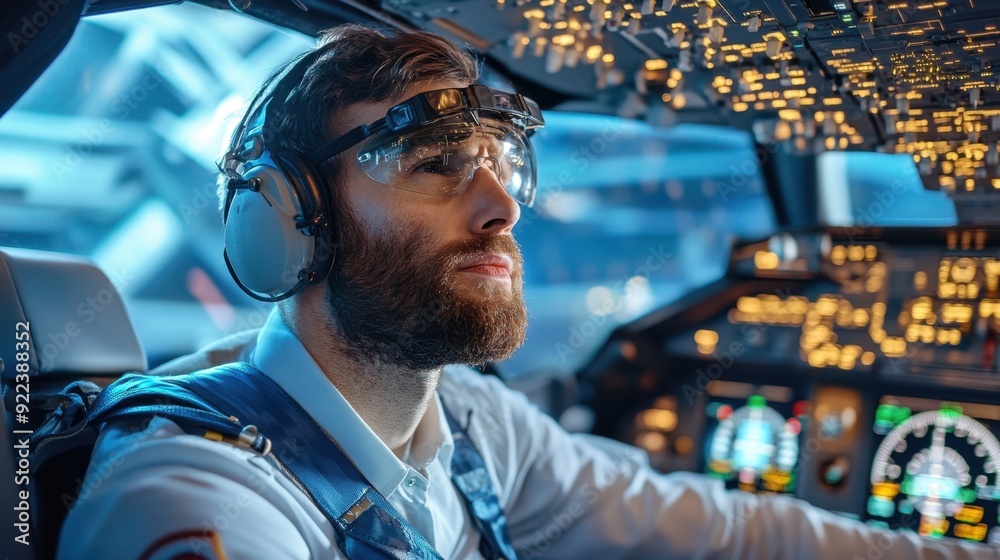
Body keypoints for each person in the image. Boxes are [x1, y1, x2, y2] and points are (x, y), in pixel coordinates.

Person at [58, 24, 998, 560]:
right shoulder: (197, 496)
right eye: (434, 164)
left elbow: (727, 534)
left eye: (501, 163)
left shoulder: (467, 424)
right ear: (286, 221)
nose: (501, 205)